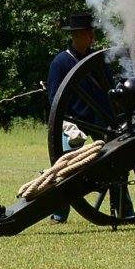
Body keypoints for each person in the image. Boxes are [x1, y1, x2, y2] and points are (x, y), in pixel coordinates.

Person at [44, 11, 96, 224]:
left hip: (97, 120)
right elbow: (54, 97)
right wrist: (67, 123)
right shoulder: (61, 61)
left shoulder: (96, 58)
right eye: (88, 33)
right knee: (64, 165)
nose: (92, 36)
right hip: (72, 120)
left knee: (116, 164)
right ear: (79, 35)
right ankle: (59, 213)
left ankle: (124, 207)